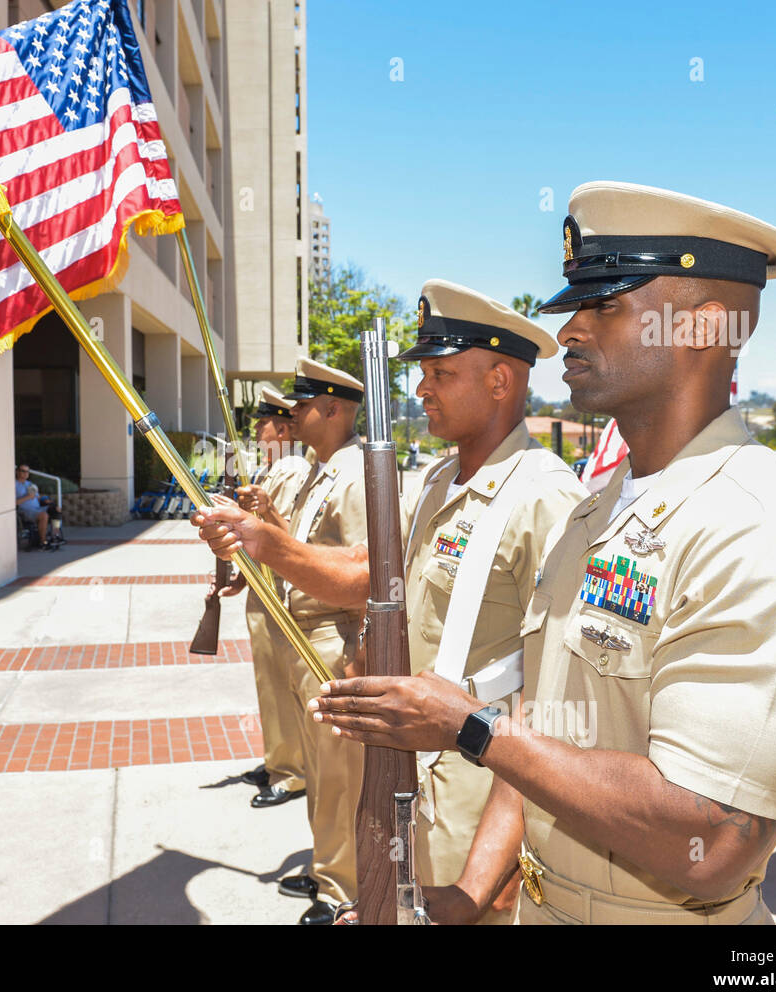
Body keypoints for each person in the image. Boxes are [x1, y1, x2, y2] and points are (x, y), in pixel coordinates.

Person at [311, 181, 776, 926]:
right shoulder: (594, 513)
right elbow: (552, 736)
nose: (572, 330)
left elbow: (710, 844)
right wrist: (472, 891)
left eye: (606, 304)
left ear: (706, 327)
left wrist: (470, 725)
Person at [194, 283, 587, 923]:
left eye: (442, 372)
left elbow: (567, 695)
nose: (422, 388)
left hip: (485, 788)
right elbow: (370, 574)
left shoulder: (545, 497)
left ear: (500, 382)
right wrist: (266, 543)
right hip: (417, 770)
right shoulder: (438, 480)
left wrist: (516, 855)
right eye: (422, 372)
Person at [193, 357, 368, 925]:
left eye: (303, 403)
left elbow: (365, 570)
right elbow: (307, 551)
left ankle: (347, 892)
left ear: (334, 408)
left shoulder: (358, 472)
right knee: (321, 772)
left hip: (335, 639)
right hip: (304, 631)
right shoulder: (322, 471)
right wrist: (267, 521)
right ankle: (329, 869)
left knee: (342, 777)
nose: (291, 414)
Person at [215, 385, 313, 807]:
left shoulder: (289, 467)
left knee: (280, 685)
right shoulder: (274, 469)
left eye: (264, 423)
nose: (257, 430)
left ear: (284, 427)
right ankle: (278, 759)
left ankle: (292, 772)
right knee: (269, 685)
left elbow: (285, 532)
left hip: (278, 590)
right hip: (263, 584)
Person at [15, 465, 50, 547]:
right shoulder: (13, 485)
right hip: (25, 511)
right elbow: (13, 503)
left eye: (27, 471)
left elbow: (37, 497)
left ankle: (56, 537)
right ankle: (43, 542)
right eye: (23, 471)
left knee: (56, 509)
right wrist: (28, 497)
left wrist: (45, 499)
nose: (26, 473)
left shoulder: (30, 484)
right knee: (44, 515)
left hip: (37, 508)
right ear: (17, 472)